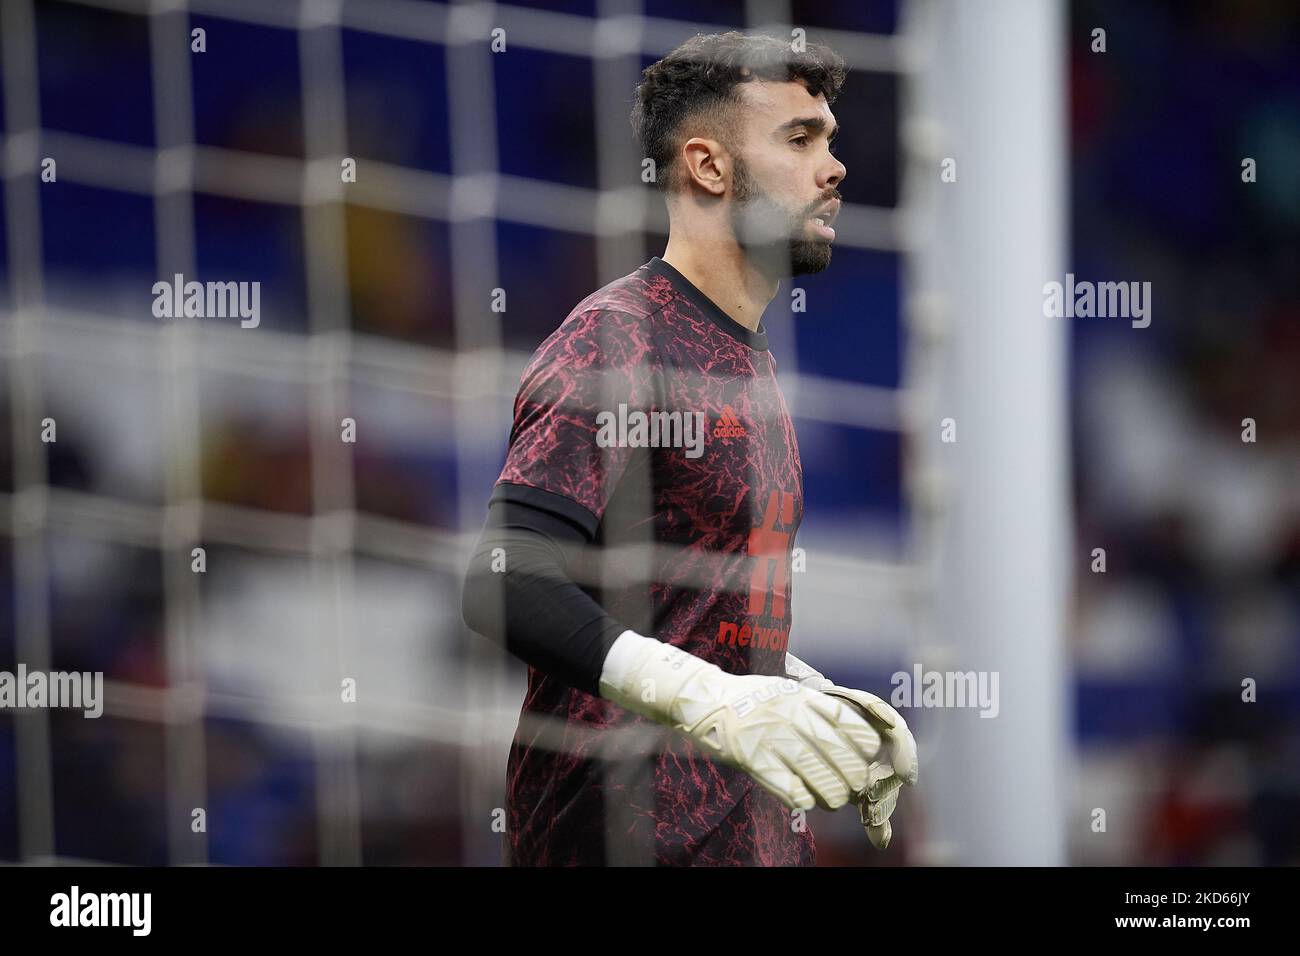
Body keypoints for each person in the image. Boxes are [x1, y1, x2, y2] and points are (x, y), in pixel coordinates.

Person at [462, 31, 917, 867]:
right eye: (799, 138)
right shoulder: (620, 339)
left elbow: (678, 603)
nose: (835, 167)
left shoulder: (749, 363)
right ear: (708, 168)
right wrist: (710, 693)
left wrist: (802, 694)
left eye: (832, 138)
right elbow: (506, 580)